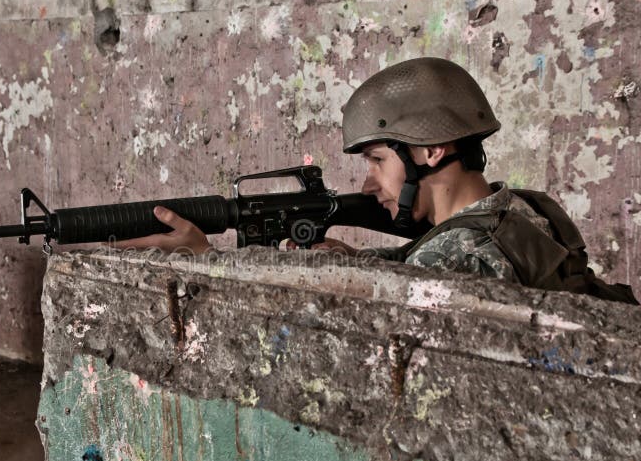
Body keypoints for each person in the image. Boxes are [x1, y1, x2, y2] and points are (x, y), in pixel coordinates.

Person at [114, 57, 637, 303]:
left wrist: (210, 264)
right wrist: (350, 261)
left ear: (431, 150)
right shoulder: (521, 209)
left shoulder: (458, 255)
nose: (369, 185)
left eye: (376, 160)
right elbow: (410, 269)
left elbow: (374, 302)